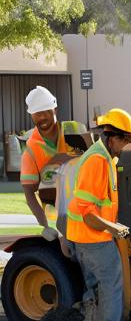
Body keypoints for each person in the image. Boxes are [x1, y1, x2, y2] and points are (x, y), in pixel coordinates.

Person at [66, 109, 131, 321]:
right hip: (93, 237)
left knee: (95, 287)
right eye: (126, 140)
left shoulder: (105, 158)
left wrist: (112, 226)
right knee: (111, 285)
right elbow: (87, 212)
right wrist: (113, 229)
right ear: (112, 137)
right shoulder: (97, 161)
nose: (127, 145)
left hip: (86, 237)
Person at [20, 86, 73, 255]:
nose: (42, 117)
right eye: (37, 113)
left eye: (45, 111)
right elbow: (29, 190)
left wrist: (68, 158)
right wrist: (46, 225)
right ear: (31, 116)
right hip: (59, 222)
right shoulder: (31, 150)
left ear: (54, 109)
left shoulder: (74, 131)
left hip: (88, 214)